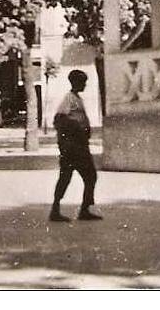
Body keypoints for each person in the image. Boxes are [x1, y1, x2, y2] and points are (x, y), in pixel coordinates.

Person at [50, 70, 101, 222]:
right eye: (82, 82)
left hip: (78, 146)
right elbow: (60, 119)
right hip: (73, 147)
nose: (84, 85)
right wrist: (77, 129)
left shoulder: (77, 99)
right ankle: (73, 210)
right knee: (86, 176)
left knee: (78, 176)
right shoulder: (69, 99)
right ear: (75, 83)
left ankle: (64, 209)